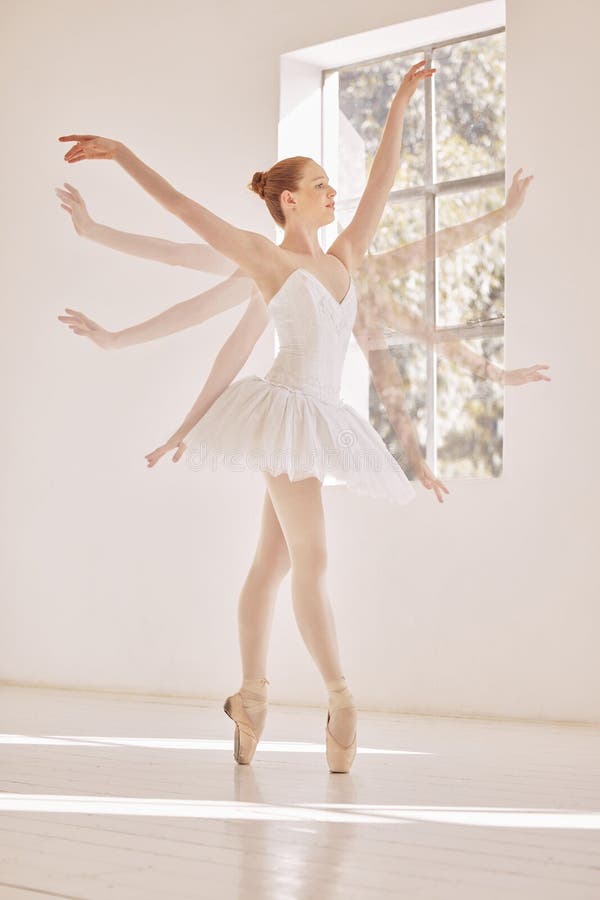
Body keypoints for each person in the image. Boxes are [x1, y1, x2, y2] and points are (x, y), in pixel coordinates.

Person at [62, 57, 533, 773]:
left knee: (272, 562)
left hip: (323, 413)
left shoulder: (345, 256)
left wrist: (402, 98)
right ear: (288, 203)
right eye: (318, 186)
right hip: (285, 411)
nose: (332, 193)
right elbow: (185, 213)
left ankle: (251, 698)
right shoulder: (263, 259)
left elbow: (381, 183)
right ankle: (342, 701)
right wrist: (124, 156)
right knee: (312, 559)